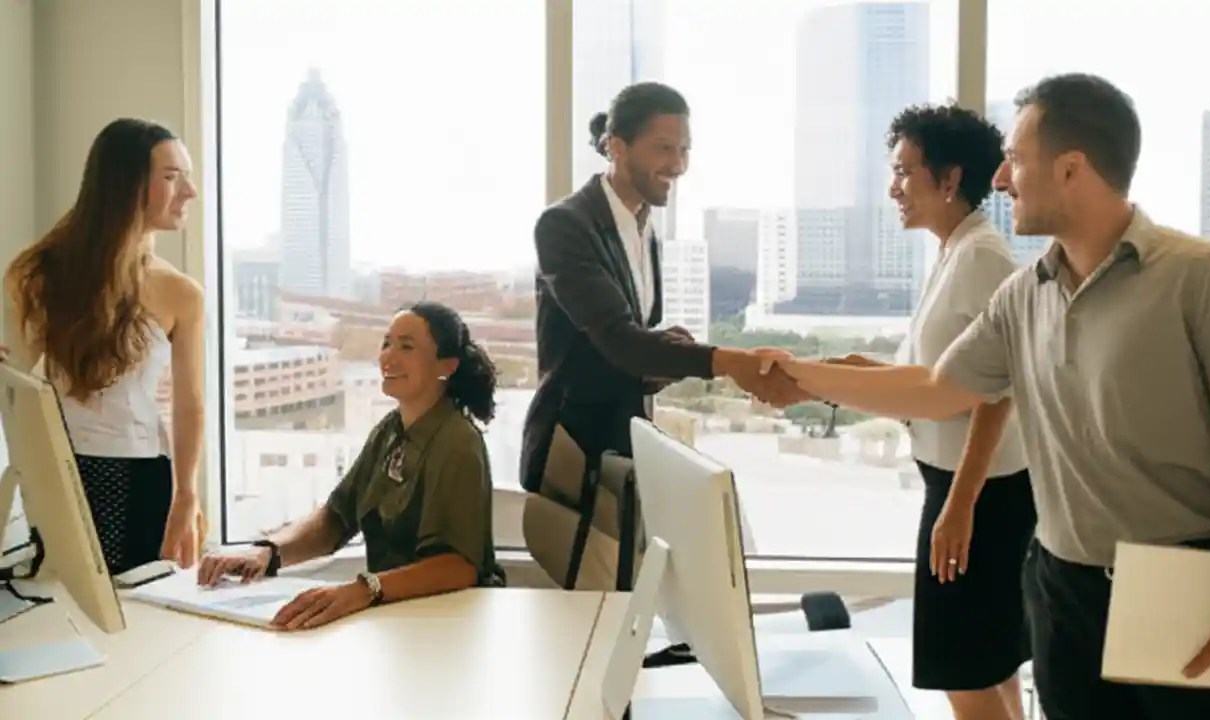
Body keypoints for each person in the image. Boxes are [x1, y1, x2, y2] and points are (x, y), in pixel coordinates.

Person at [768, 74, 1210, 719]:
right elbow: (935, 389)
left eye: (1016, 158)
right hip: (1062, 588)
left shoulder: (1208, 278)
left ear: (1071, 169)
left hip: (1183, 589)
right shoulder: (1023, 294)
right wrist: (795, 373)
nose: (1003, 179)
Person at [521, 81, 804, 497]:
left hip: (624, 443)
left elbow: (632, 345)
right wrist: (731, 362)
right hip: (573, 451)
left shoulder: (645, 228)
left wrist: (667, 349)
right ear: (617, 147)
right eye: (664, 148)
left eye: (684, 150)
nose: (678, 164)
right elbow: (618, 341)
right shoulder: (565, 225)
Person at [198, 302, 506, 631]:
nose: (388, 356)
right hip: (396, 618)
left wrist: (363, 590)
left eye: (406, 346)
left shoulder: (457, 443)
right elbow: (336, 518)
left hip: (448, 621)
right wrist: (267, 553)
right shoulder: (390, 431)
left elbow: (458, 567)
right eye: (386, 343)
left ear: (446, 366)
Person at [870, 103, 1034, 720]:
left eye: (905, 172)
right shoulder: (954, 253)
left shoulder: (983, 259)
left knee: (961, 669)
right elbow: (928, 376)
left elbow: (1000, 386)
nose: (894, 187)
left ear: (949, 179)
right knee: (990, 663)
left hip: (980, 493)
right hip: (962, 486)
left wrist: (959, 504)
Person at [3, 118, 205, 575]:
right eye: (172, 177)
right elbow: (14, 379)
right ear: (126, 184)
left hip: (140, 473)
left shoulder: (181, 293)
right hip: (55, 468)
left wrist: (187, 495)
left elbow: (190, 406)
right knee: (57, 596)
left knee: (135, 610)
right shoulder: (35, 274)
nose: (190, 192)